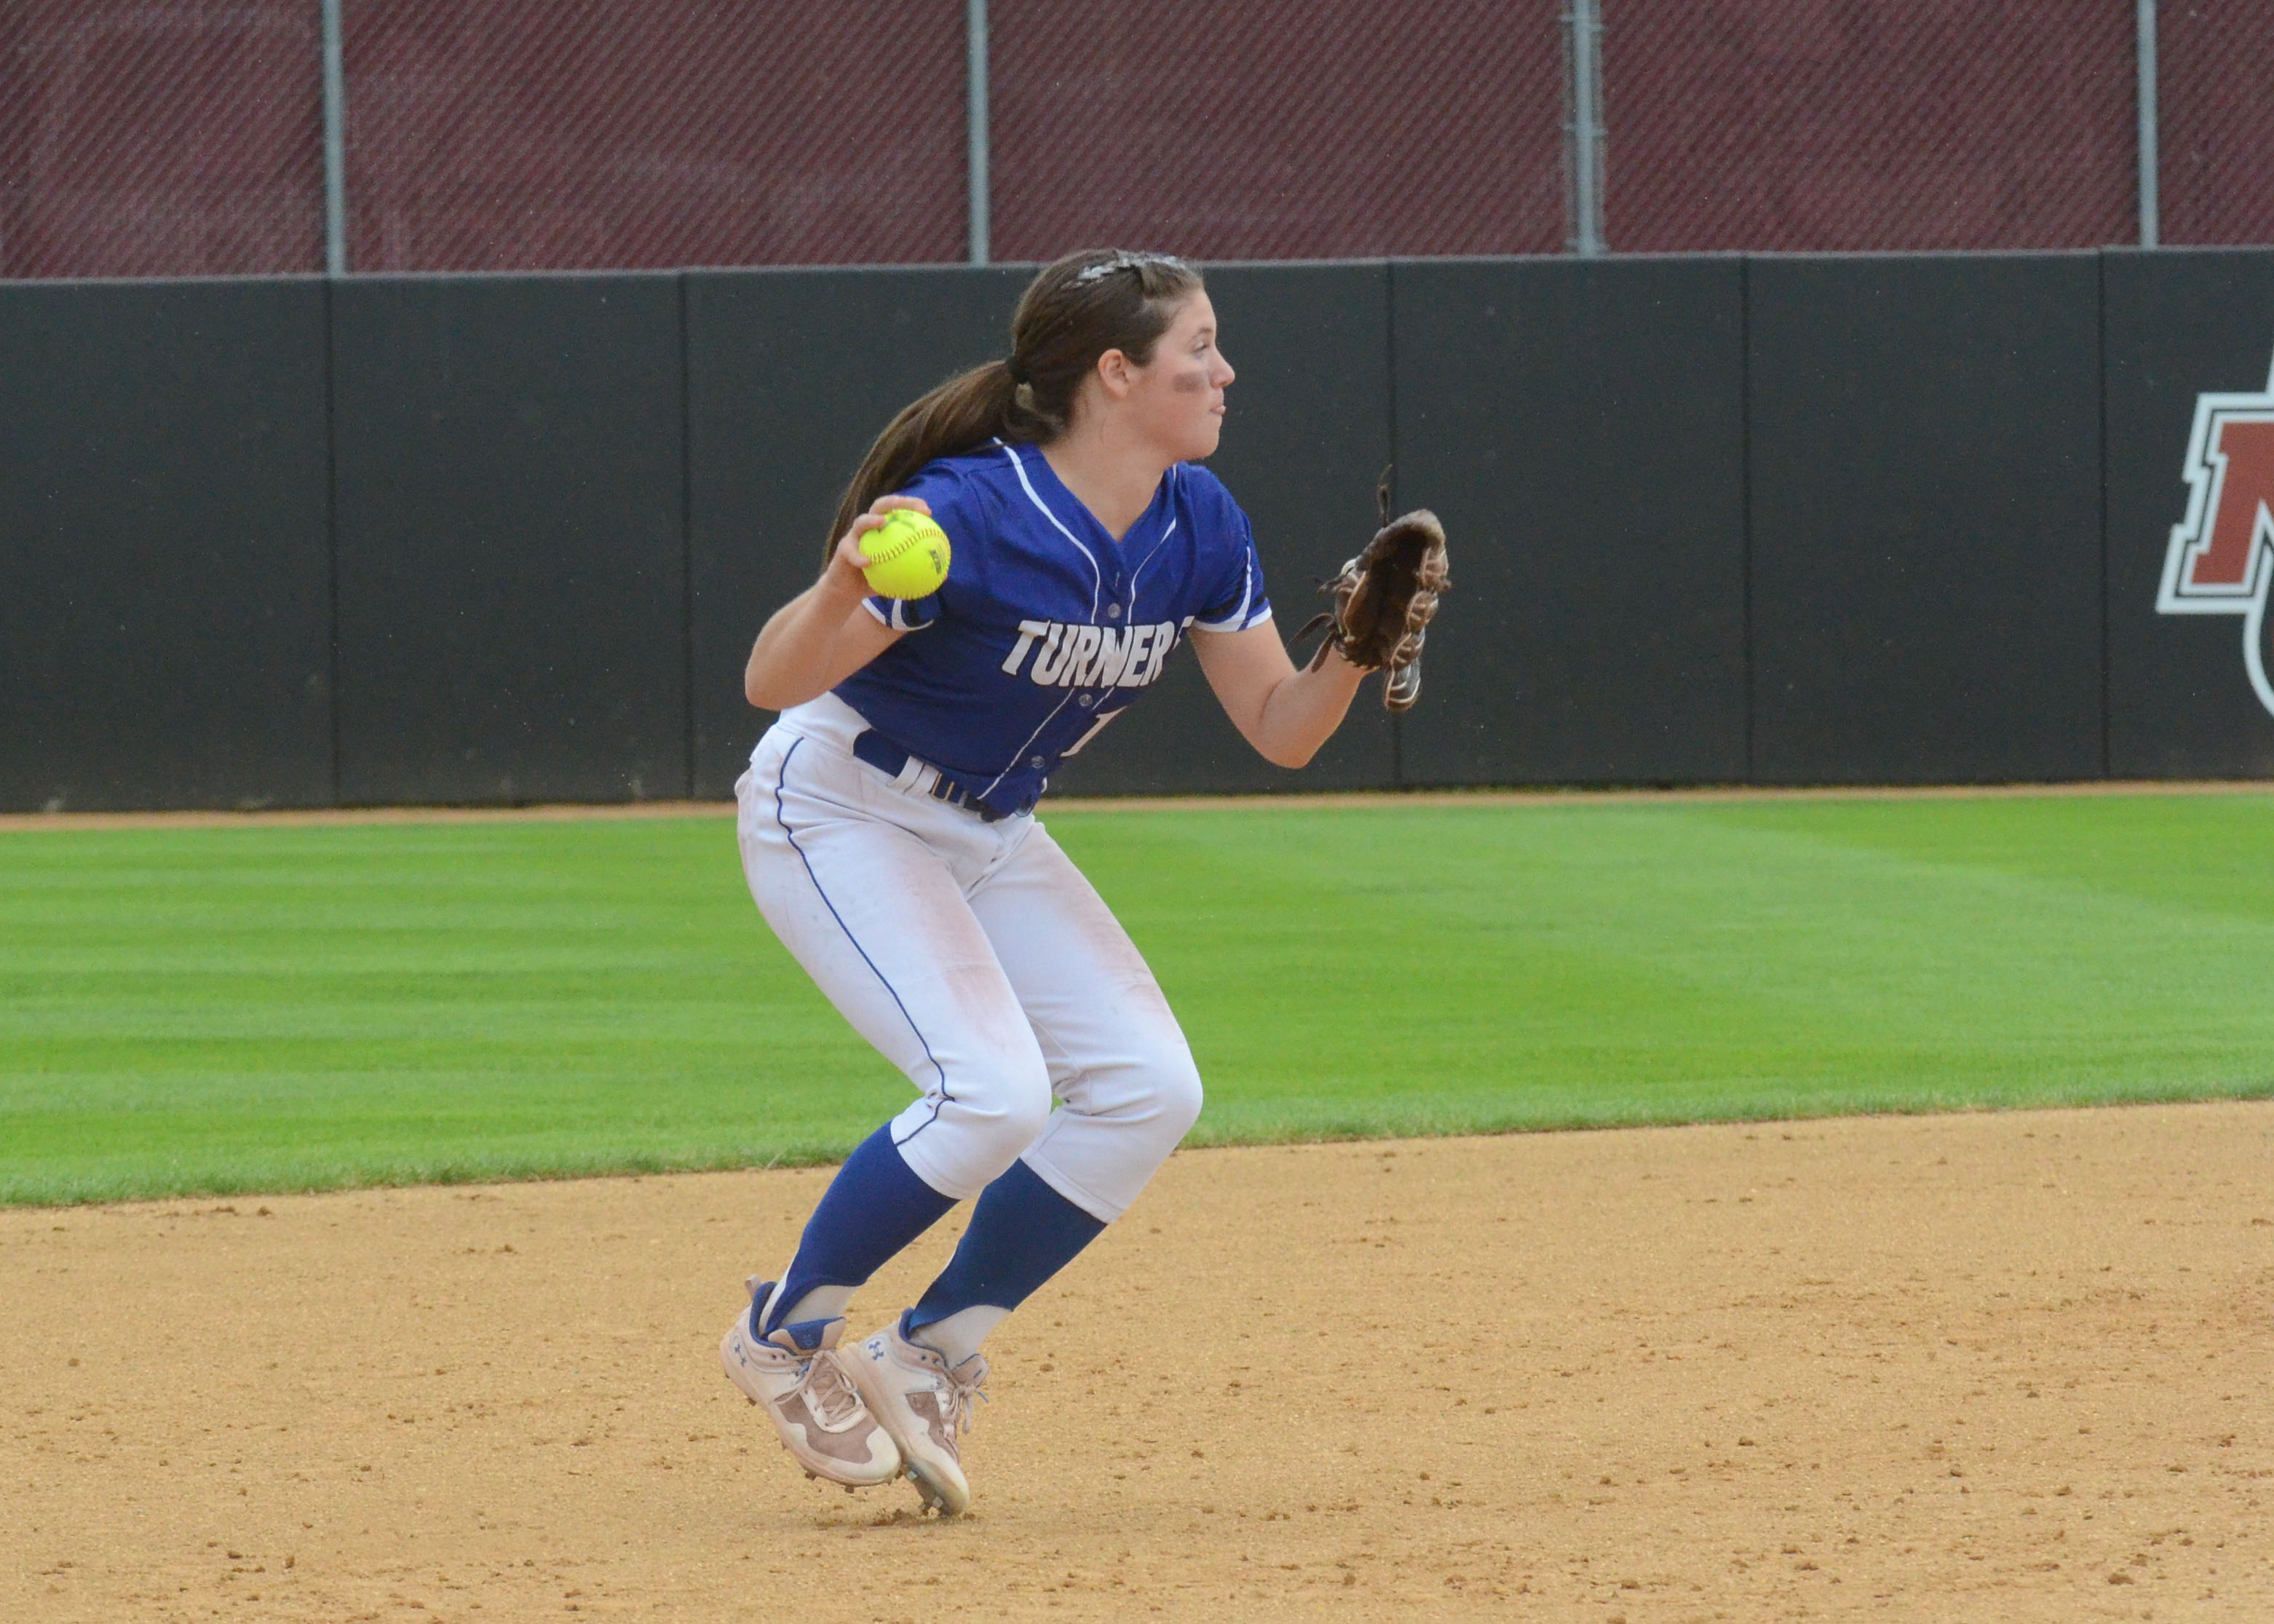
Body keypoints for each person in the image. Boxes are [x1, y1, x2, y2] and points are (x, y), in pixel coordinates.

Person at [718, 247, 1372, 1516]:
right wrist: (846, 582)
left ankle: (929, 1347)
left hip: (994, 827)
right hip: (845, 802)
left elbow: (1282, 727)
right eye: (1199, 348)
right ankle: (782, 1336)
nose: (1224, 369)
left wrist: (1352, 644)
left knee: (1148, 1088)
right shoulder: (970, 512)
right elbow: (771, 680)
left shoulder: (1201, 521)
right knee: (994, 1094)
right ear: (1117, 374)